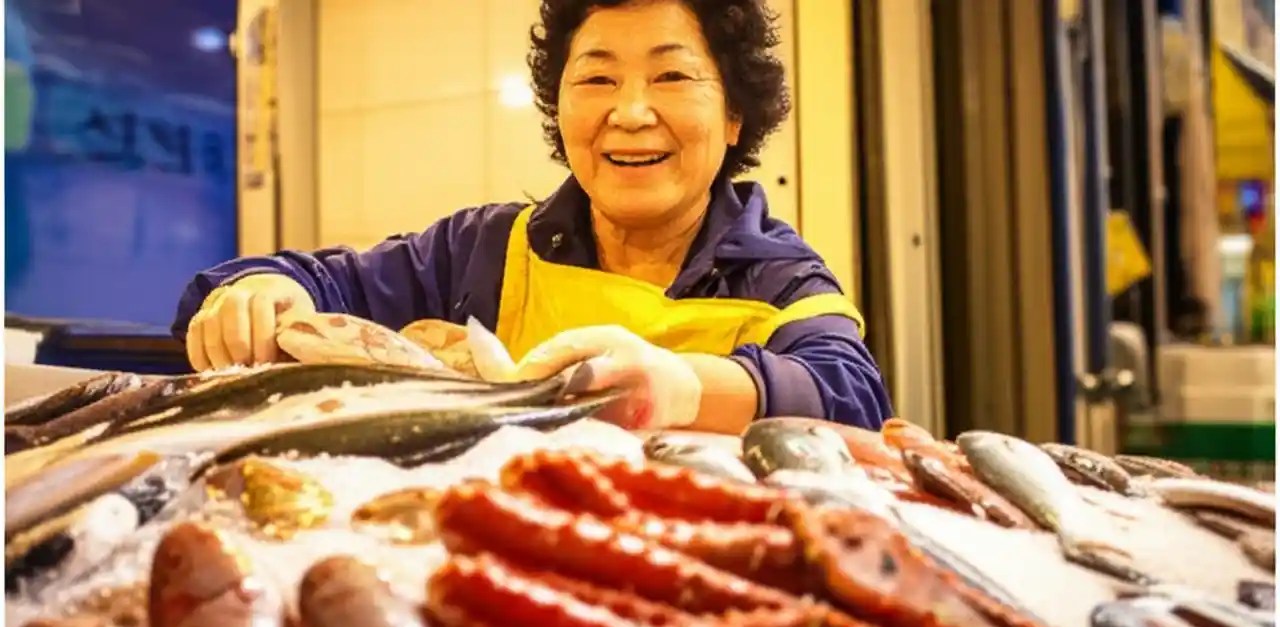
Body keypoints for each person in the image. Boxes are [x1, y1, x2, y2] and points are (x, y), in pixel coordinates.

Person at [173, 0, 893, 434]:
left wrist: (681, 386)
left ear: (735, 115)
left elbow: (851, 393)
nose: (631, 112)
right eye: (597, 78)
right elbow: (320, 283)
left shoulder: (776, 273)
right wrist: (262, 290)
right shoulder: (488, 248)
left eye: (672, 76)